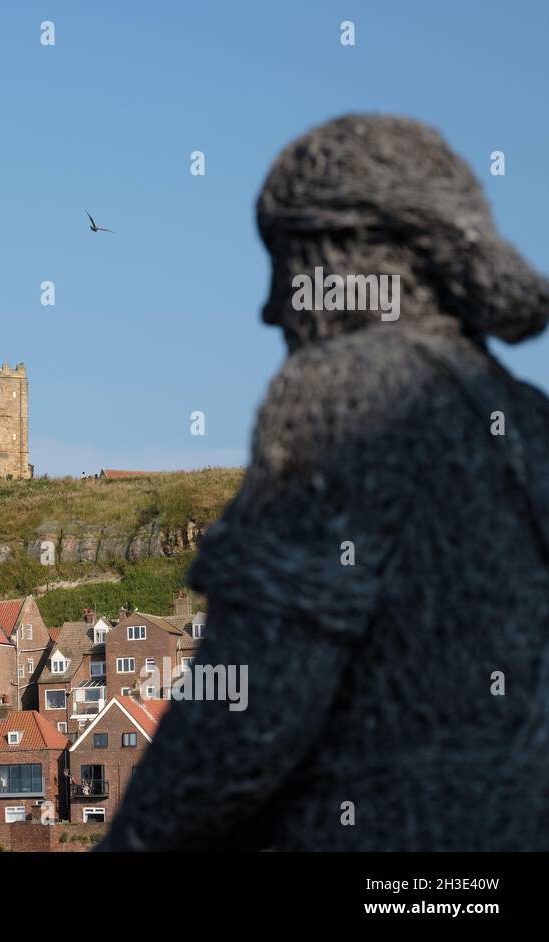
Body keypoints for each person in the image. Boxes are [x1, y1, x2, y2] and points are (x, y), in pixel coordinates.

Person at [100, 114, 549, 851]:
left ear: (337, 256)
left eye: (283, 269)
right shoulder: (528, 420)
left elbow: (248, 712)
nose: (272, 309)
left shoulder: (347, 389)